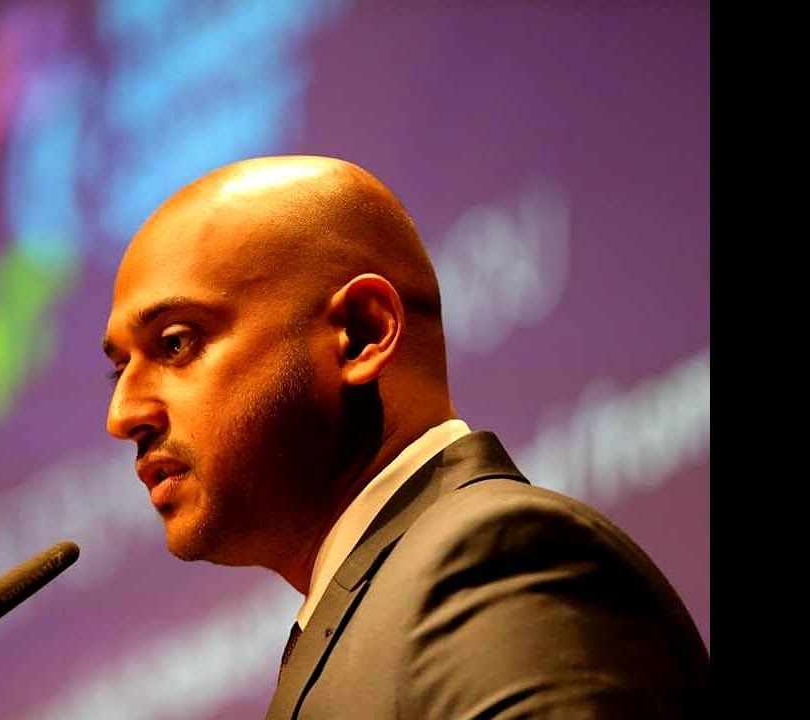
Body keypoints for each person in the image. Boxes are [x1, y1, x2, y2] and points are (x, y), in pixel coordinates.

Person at [100, 155, 709, 718]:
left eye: (175, 342)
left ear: (363, 334)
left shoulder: (486, 561)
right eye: (118, 367)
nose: (122, 414)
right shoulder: (372, 605)